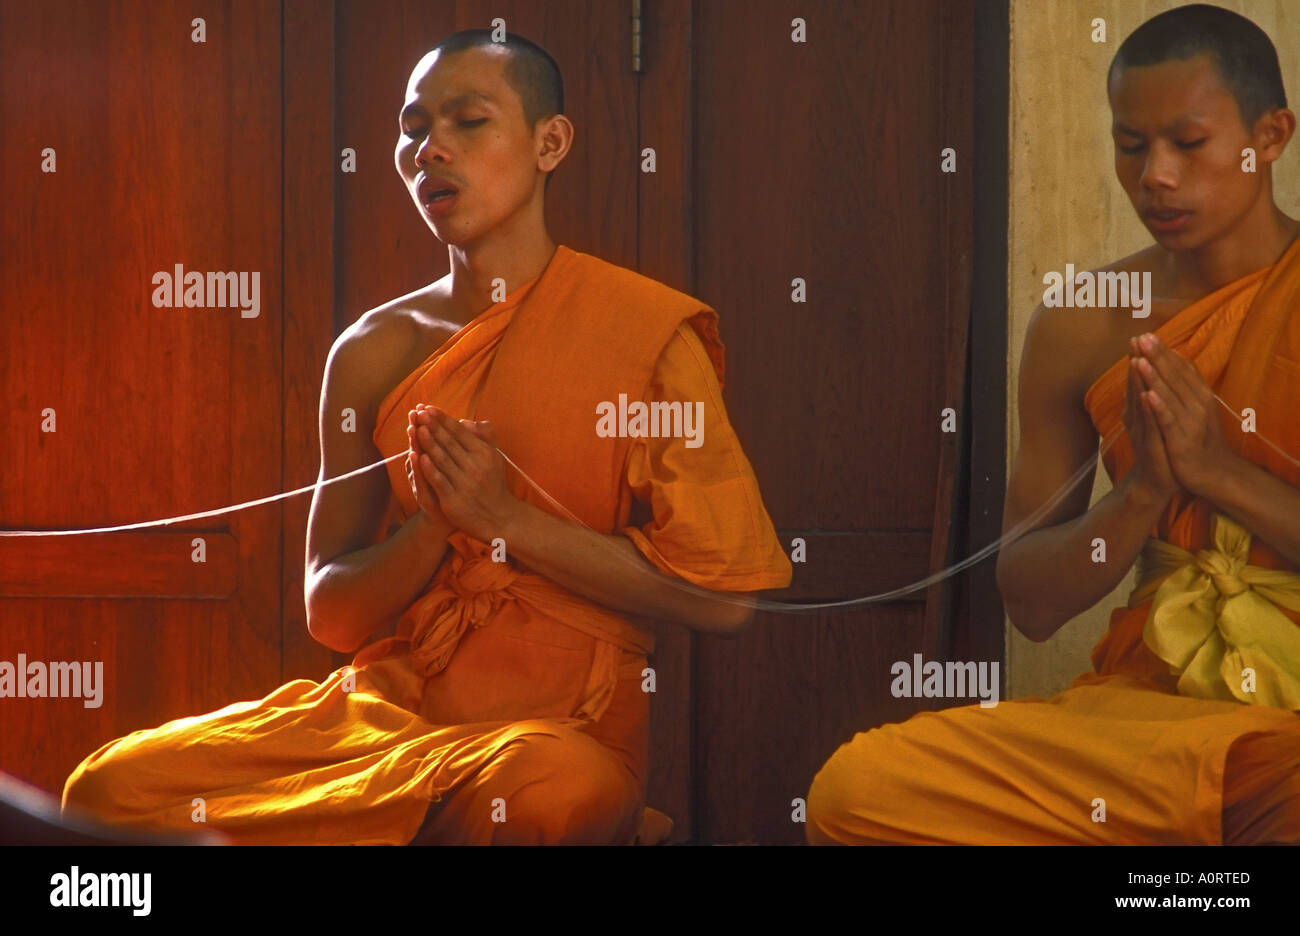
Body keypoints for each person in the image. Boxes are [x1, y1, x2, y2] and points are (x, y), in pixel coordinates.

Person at [62, 29, 791, 845]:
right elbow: (332, 614)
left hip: (551, 733)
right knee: (109, 788)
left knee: (549, 793)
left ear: (550, 143)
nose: (429, 148)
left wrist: (507, 521)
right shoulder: (376, 349)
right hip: (388, 717)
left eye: (468, 121)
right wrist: (435, 526)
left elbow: (727, 603)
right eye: (412, 128)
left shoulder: (644, 334)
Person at [807, 3, 1300, 845]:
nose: (1157, 177)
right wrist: (1143, 494)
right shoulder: (1082, 324)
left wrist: (1220, 474)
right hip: (1150, 718)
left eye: (1189, 143)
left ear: (1271, 135)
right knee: (854, 792)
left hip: (1287, 728)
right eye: (1131, 145)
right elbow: (1030, 599)